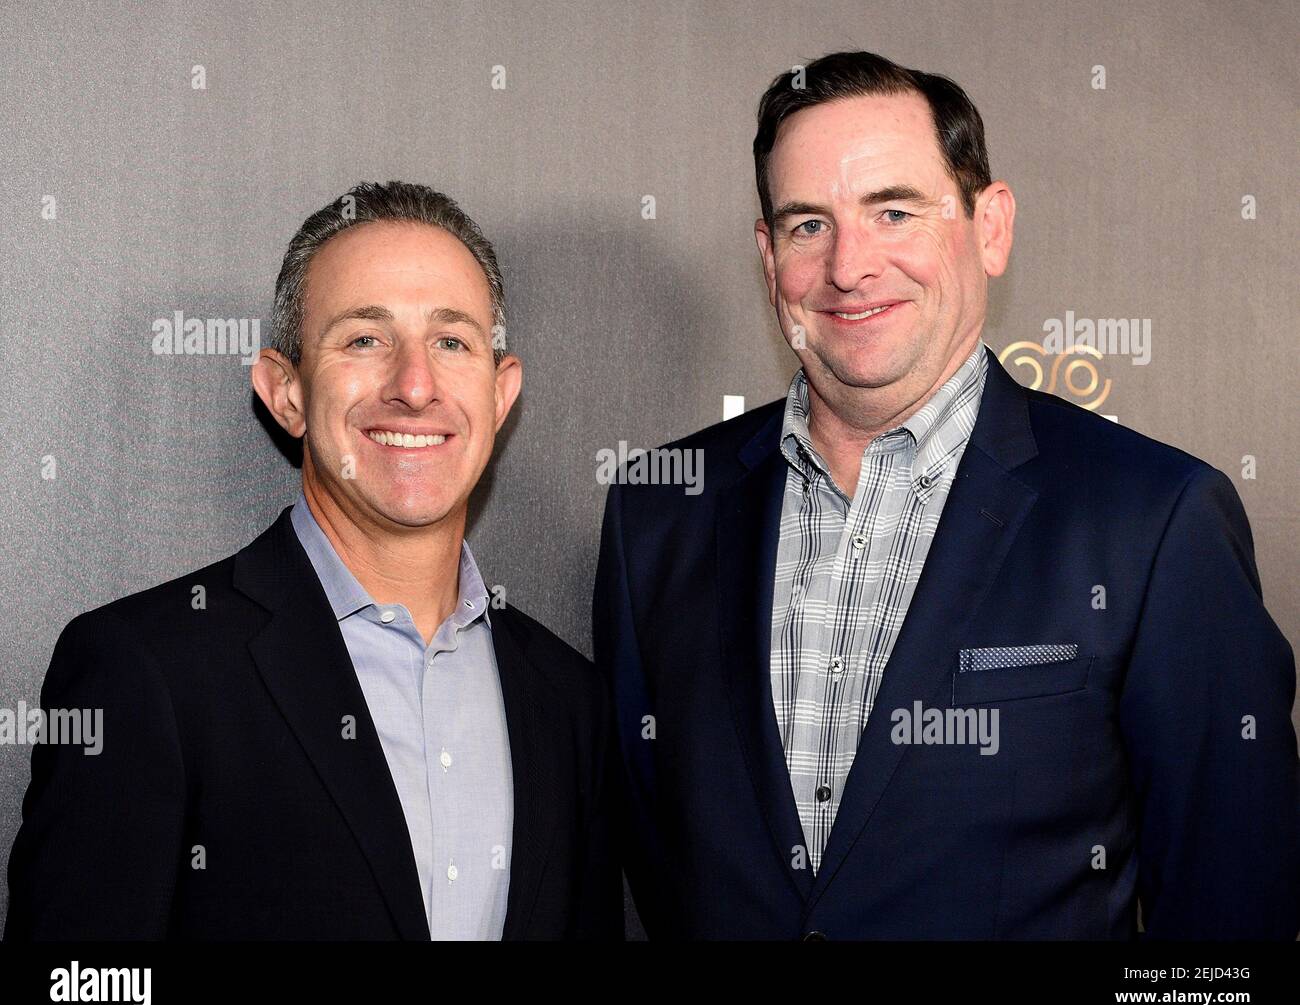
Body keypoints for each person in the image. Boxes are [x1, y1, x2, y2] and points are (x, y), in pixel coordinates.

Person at [594, 51, 1299, 940]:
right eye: (809, 224)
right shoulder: (659, 514)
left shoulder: (1155, 520)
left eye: (895, 211)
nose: (850, 266)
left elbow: (1228, 943)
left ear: (989, 226)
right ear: (768, 256)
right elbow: (659, 866)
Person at [7, 181, 622, 941]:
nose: (415, 385)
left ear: (501, 395)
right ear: (286, 392)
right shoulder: (147, 670)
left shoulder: (569, 701)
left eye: (452, 341)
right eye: (365, 338)